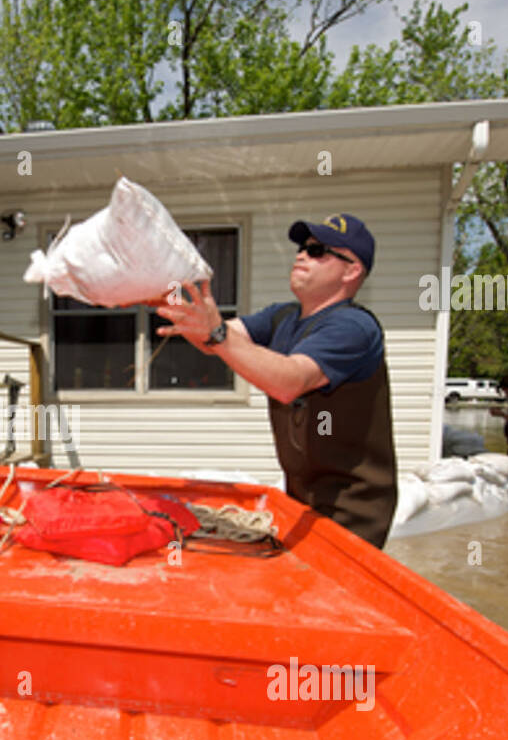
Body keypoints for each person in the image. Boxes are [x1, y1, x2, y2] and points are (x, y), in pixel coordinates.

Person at [155, 213, 397, 548]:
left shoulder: (353, 328)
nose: (301, 254)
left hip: (352, 513)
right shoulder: (283, 317)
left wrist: (218, 334)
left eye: (318, 250)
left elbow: (290, 381)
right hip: (302, 501)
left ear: (352, 270)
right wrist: (156, 295)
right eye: (302, 247)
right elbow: (212, 341)